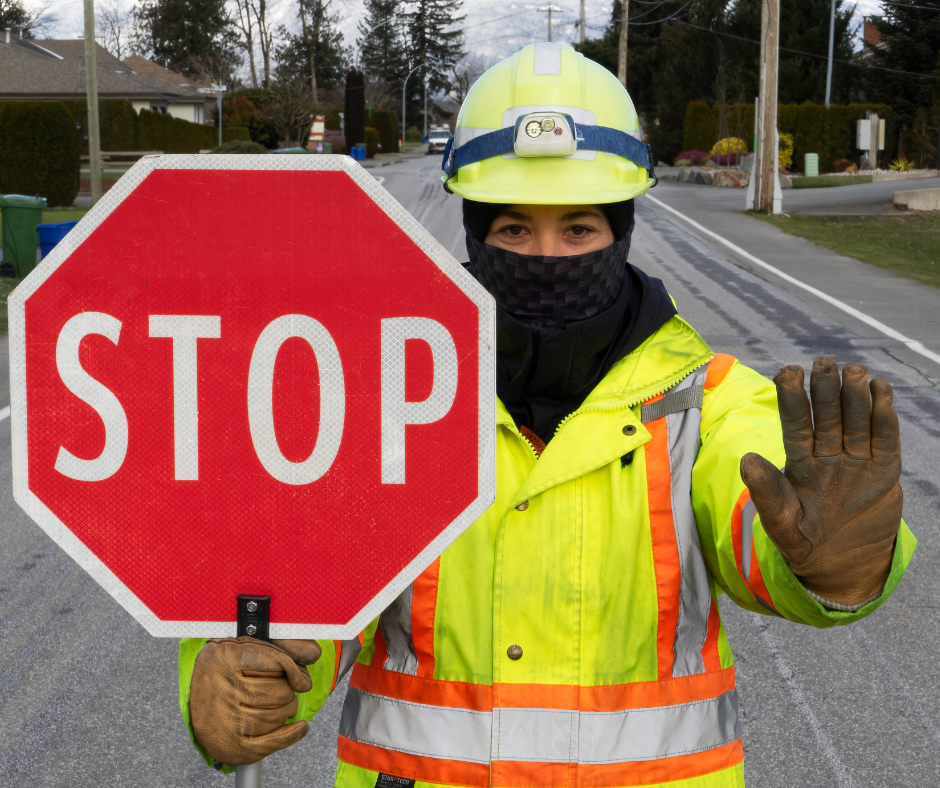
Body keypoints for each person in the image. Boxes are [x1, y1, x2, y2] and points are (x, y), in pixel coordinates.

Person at [178, 43, 915, 787]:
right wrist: (230, 683)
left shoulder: (707, 403)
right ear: (475, 235)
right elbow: (298, 591)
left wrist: (839, 565)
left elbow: (766, 509)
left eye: (579, 230)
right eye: (514, 232)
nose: (547, 256)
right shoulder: (384, 403)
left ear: (620, 231)